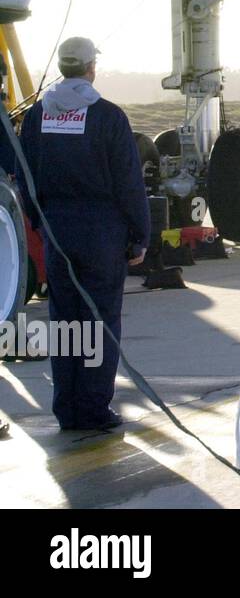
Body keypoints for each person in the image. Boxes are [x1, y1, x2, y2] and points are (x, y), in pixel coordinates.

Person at [17, 37, 149, 430]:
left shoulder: (39, 116)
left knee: (65, 322)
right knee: (100, 320)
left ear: (63, 67)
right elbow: (129, 183)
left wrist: (41, 222)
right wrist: (140, 234)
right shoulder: (108, 117)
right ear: (91, 68)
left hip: (58, 232)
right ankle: (93, 407)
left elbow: (26, 175)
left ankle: (67, 408)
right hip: (101, 234)